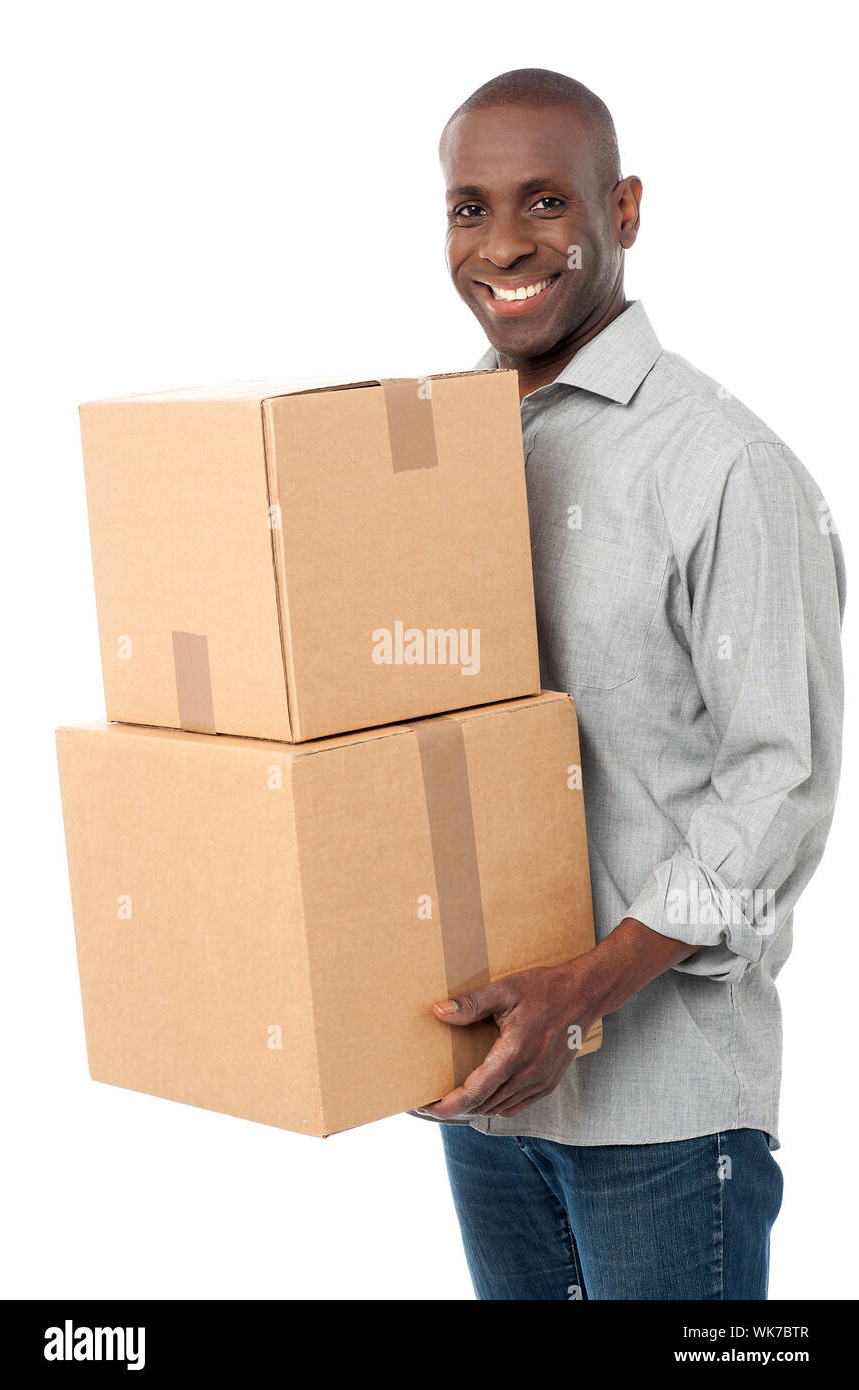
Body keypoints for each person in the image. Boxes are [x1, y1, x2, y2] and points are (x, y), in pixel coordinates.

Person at [414, 68, 845, 1301]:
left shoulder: (726, 467)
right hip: (487, 1098)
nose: (504, 245)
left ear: (625, 209)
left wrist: (582, 993)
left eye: (545, 202)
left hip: (663, 1115)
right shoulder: (434, 455)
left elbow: (780, 792)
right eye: (468, 208)